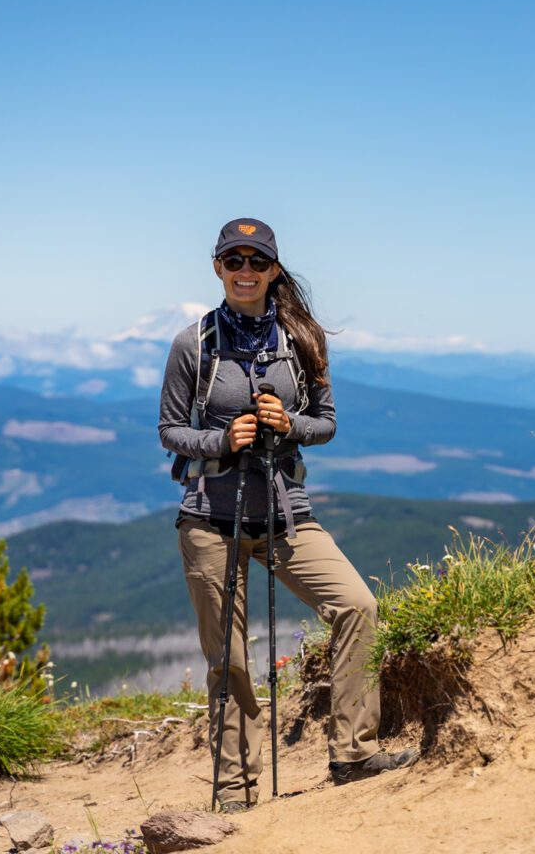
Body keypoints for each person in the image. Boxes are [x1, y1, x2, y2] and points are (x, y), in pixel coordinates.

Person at [159, 217, 416, 812]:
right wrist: (223, 441)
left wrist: (287, 425)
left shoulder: (302, 339)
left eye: (256, 261)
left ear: (274, 269)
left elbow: (325, 424)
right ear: (217, 267)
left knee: (357, 605)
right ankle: (234, 789)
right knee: (228, 658)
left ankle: (353, 751)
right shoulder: (191, 344)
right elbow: (170, 431)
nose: (245, 271)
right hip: (209, 519)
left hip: (284, 513)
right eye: (234, 260)